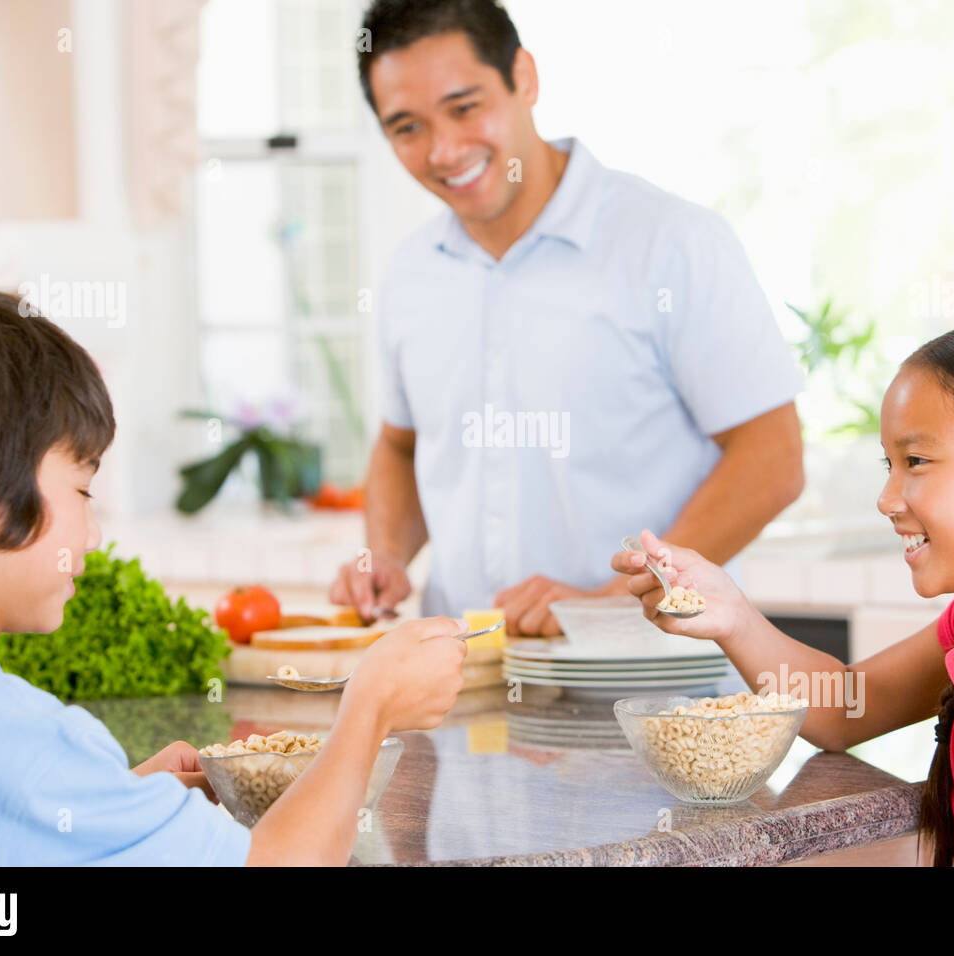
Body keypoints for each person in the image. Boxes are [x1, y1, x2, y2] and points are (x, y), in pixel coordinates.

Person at [0, 282, 468, 866]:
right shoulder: (21, 744)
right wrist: (369, 708)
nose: (94, 534)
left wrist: (114, 808)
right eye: (82, 488)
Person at [615, 311, 954, 866]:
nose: (887, 497)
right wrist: (731, 612)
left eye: (917, 461)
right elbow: (846, 707)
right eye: (890, 463)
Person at [331, 0, 806, 633]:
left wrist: (614, 597)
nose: (444, 149)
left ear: (523, 77)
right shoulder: (411, 273)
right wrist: (387, 553)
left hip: (656, 692)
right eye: (407, 127)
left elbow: (773, 457)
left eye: (465, 107)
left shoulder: (669, 243)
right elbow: (400, 444)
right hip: (463, 691)